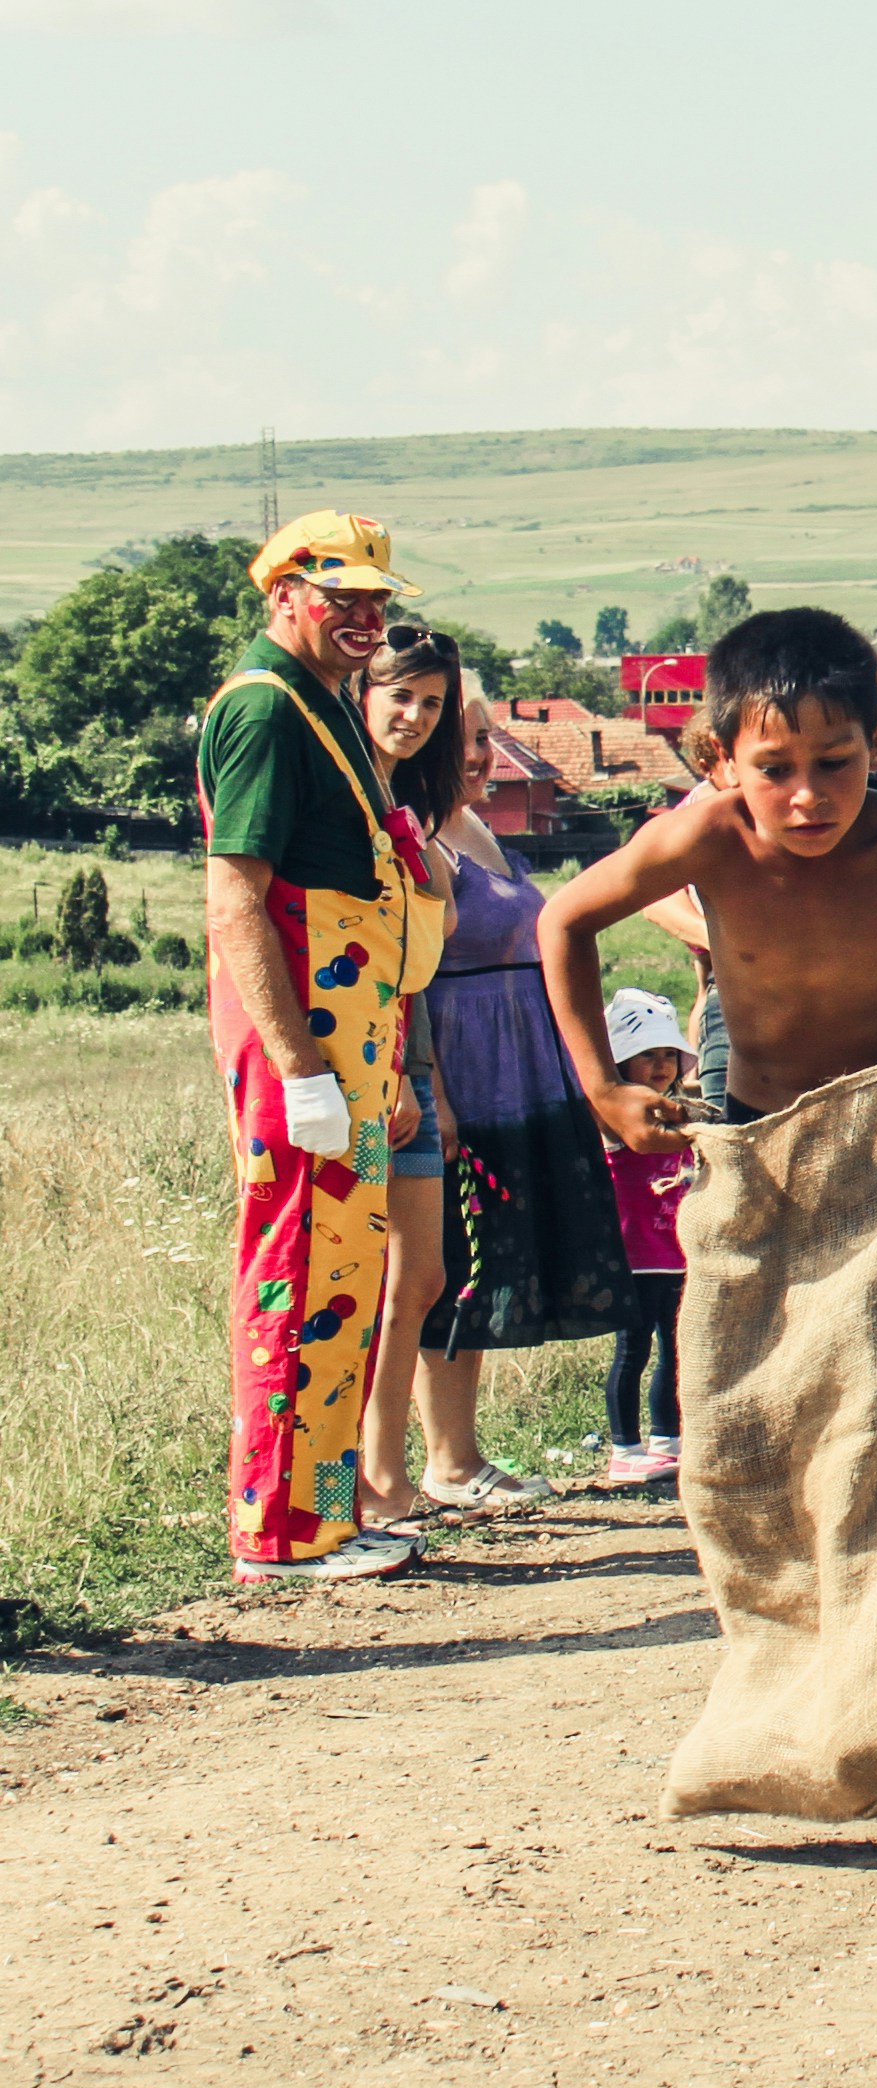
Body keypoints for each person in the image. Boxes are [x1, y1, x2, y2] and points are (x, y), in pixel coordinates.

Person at [534, 594, 877, 1287]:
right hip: (756, 1134)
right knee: (752, 1365)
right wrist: (602, 1088)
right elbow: (563, 919)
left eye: (834, 761)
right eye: (775, 769)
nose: (808, 796)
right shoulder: (704, 841)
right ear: (724, 758)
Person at [199, 513, 434, 1581]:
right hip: (304, 1045)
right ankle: (277, 1530)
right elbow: (235, 902)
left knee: (344, 1283)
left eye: (377, 600)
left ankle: (329, 1513)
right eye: (342, 596)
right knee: (299, 1273)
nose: (365, 617)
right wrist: (299, 1070)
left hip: (351, 1042)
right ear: (284, 591)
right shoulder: (261, 709)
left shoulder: (322, 703)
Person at [414, 693, 640, 1503]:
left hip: (522, 1063)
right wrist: (433, 1091)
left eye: (485, 737)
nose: (481, 755)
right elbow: (411, 981)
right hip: (467, 1069)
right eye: (466, 741)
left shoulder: (479, 829)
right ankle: (446, 1461)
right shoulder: (420, 837)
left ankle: (459, 1453)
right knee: (454, 1264)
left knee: (489, 1259)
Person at [352, 624, 469, 1531]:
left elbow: (412, 973)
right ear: (362, 693)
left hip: (413, 1071)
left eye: (432, 702)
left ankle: (387, 1474)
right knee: (351, 1288)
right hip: (357, 1076)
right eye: (399, 695)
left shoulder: (407, 812)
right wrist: (386, 1074)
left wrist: (430, 1082)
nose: (415, 716)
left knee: (419, 1280)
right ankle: (338, 1489)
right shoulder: (347, 807)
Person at [596, 991, 694, 1482]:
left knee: (676, 1348)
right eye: (647, 1055)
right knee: (631, 1351)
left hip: (676, 1258)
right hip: (632, 1258)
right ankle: (624, 1449)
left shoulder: (681, 1117)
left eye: (668, 1054)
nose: (661, 1065)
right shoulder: (614, 1122)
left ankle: (667, 1438)